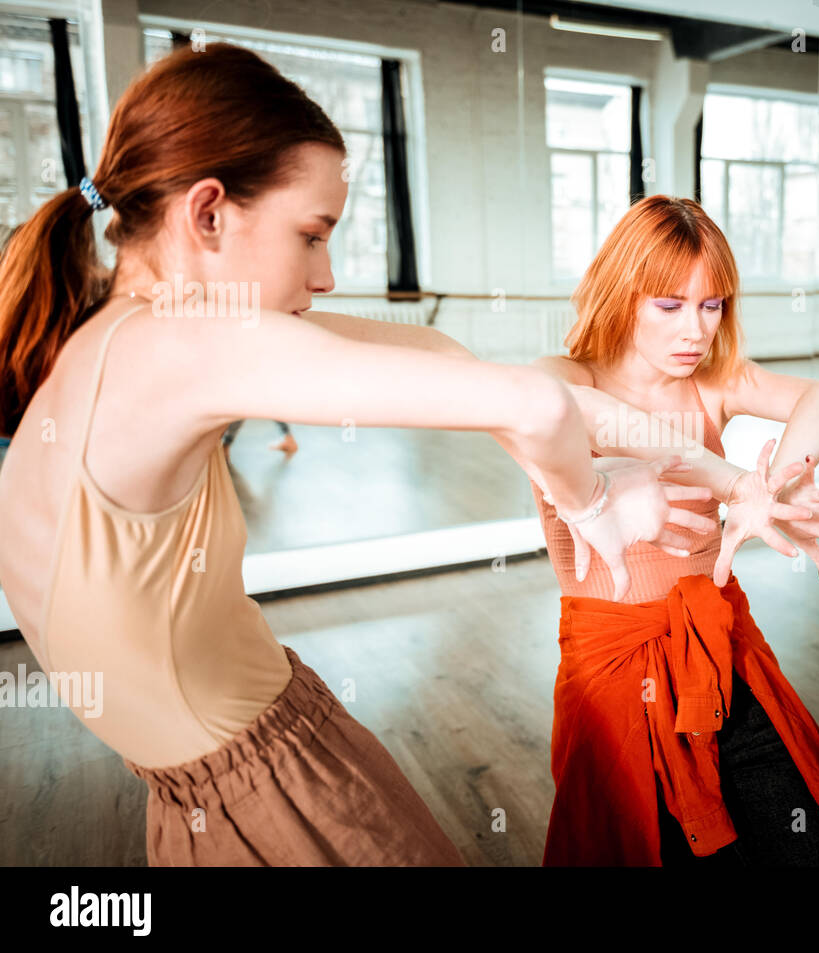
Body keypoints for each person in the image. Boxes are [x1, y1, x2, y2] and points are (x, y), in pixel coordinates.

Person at [0, 44, 705, 866]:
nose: (326, 275)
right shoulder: (183, 340)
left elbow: (444, 354)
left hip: (228, 782)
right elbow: (538, 400)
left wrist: (667, 462)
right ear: (209, 214)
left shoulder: (111, 331)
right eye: (311, 235)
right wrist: (593, 506)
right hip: (270, 790)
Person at [530, 195, 819, 866]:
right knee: (649, 846)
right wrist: (729, 480)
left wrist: (777, 484)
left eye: (712, 305)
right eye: (670, 305)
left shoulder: (712, 384)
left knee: (808, 837)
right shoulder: (564, 379)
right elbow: (562, 407)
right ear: (623, 295)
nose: (697, 330)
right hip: (616, 665)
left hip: (720, 645)